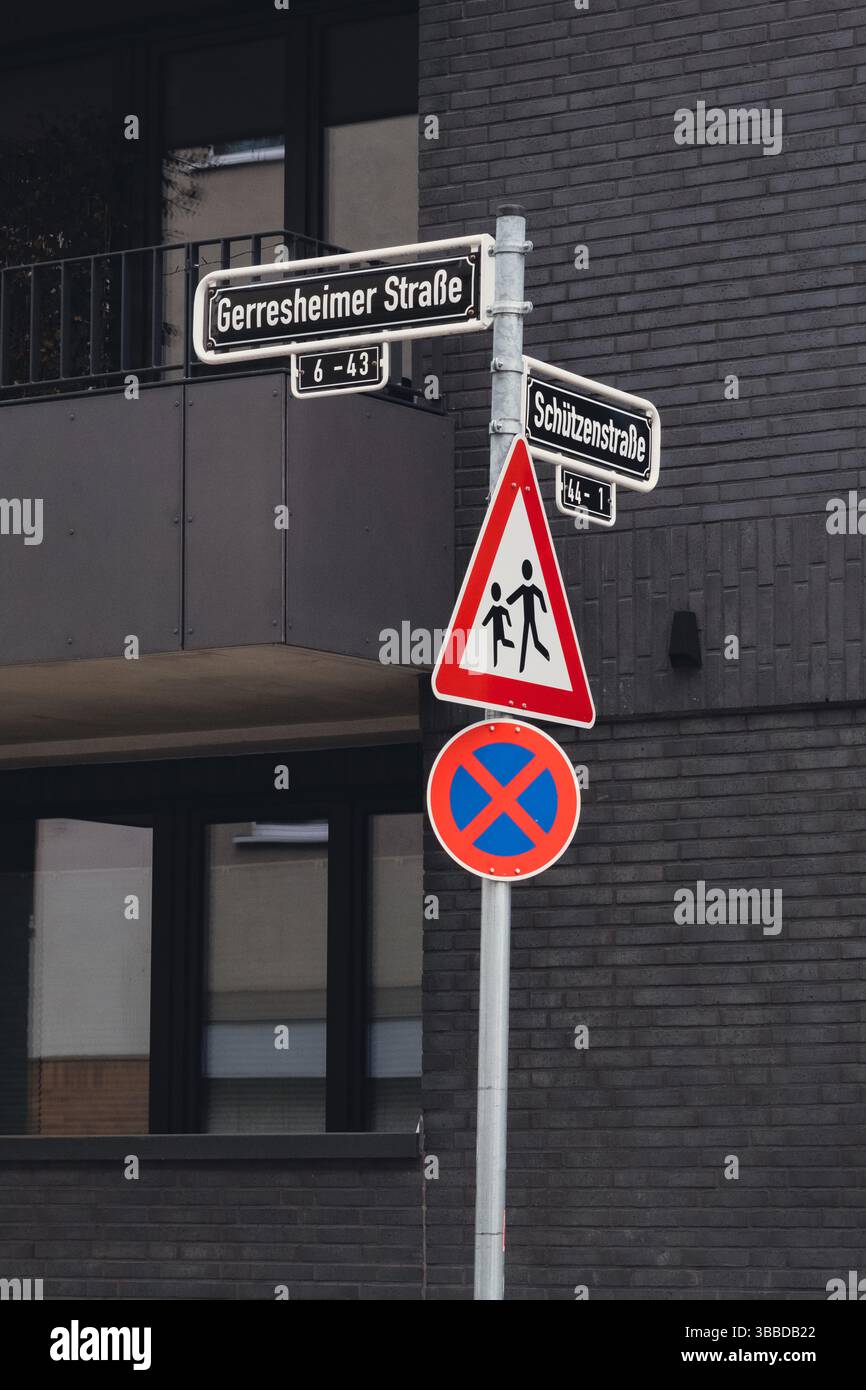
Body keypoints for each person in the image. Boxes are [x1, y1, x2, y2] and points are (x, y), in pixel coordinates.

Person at [507, 560, 550, 673]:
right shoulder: (527, 588)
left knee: (528, 641)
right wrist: (544, 608)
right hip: (528, 619)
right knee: (530, 641)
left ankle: (544, 654)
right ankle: (523, 666)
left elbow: (539, 594)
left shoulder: (527, 588)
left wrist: (544, 609)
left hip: (530, 619)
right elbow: (512, 598)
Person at [481, 582, 515, 666]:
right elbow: (506, 613)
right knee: (497, 644)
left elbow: (485, 621)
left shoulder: (494, 609)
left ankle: (495, 663)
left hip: (497, 631)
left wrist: (509, 622)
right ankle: (495, 663)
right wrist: (509, 623)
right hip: (497, 631)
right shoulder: (498, 609)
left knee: (498, 643)